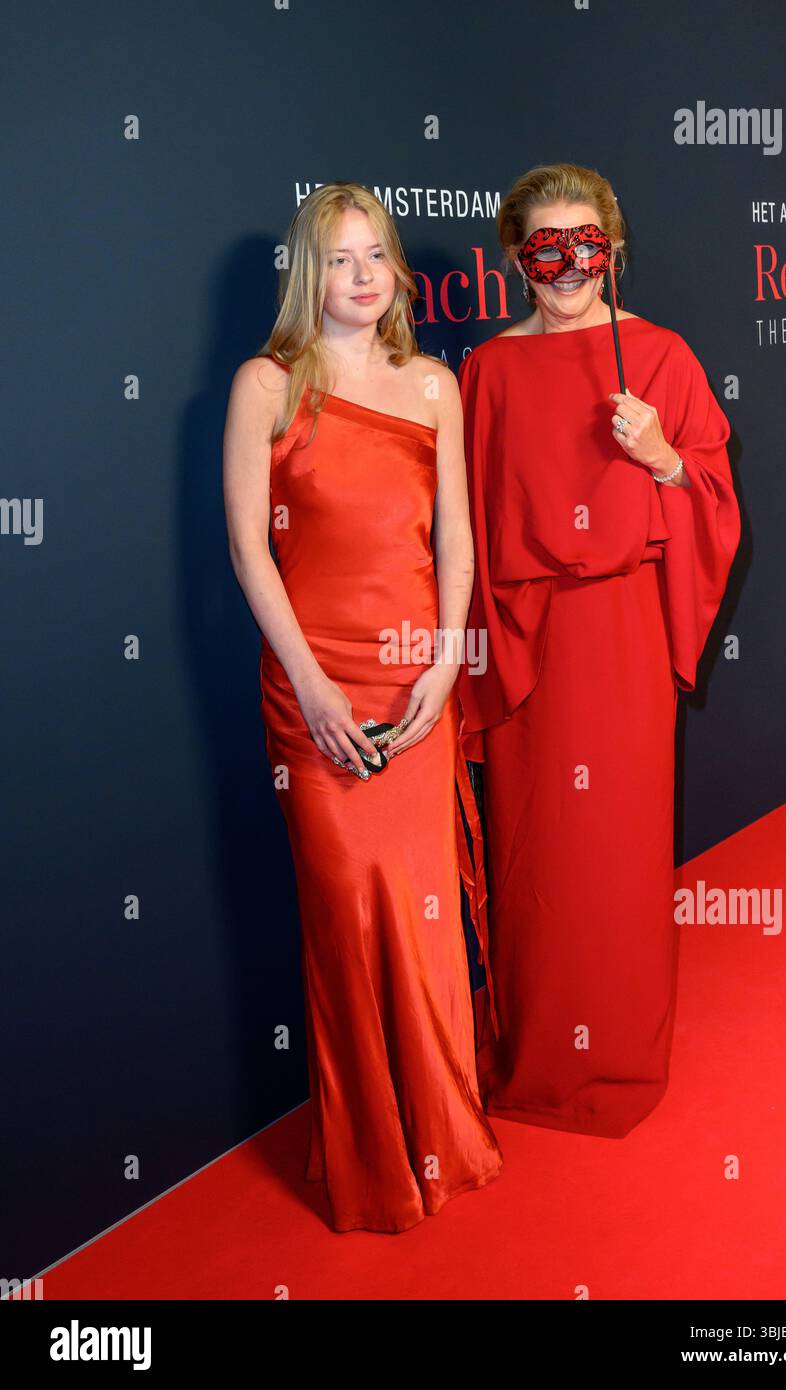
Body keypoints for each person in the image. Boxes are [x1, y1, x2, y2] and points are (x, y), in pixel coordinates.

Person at [222, 182, 502, 1232]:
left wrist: (443, 663)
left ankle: (442, 1136)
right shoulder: (267, 383)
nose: (360, 277)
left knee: (425, 926)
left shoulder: (435, 385)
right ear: (308, 270)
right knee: (346, 922)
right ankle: (375, 1161)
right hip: (314, 687)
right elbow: (250, 548)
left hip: (414, 678)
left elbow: (458, 541)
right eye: (338, 259)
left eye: (374, 256)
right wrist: (307, 679)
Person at [457, 162, 741, 1138]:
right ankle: (534, 1051)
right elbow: (460, 531)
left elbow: (711, 497)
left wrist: (662, 458)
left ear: (610, 250)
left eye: (585, 244)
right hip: (525, 646)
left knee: (614, 849)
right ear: (513, 257)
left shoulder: (659, 356)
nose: (567, 263)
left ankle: (616, 1049)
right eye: (545, 246)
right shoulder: (485, 369)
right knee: (534, 850)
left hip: (617, 638)